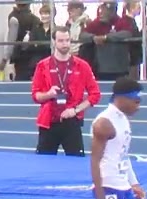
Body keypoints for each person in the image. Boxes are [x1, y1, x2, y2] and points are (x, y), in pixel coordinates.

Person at [30, 26, 101, 157]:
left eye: (67, 40)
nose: (65, 44)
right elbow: (36, 95)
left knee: (76, 162)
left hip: (71, 121)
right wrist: (49, 94)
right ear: (54, 42)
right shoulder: (43, 65)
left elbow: (95, 94)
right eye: (61, 41)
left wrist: (75, 110)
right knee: (44, 164)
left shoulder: (82, 66)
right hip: (49, 122)